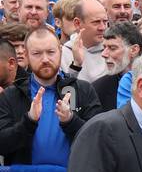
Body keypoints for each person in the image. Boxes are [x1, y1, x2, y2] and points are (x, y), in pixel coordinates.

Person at [0, 26, 101, 162]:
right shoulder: (11, 95)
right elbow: (3, 145)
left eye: (51, 52)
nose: (45, 59)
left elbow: (98, 140)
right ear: (26, 55)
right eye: (37, 53)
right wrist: (29, 121)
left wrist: (71, 121)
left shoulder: (82, 90)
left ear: (60, 51)